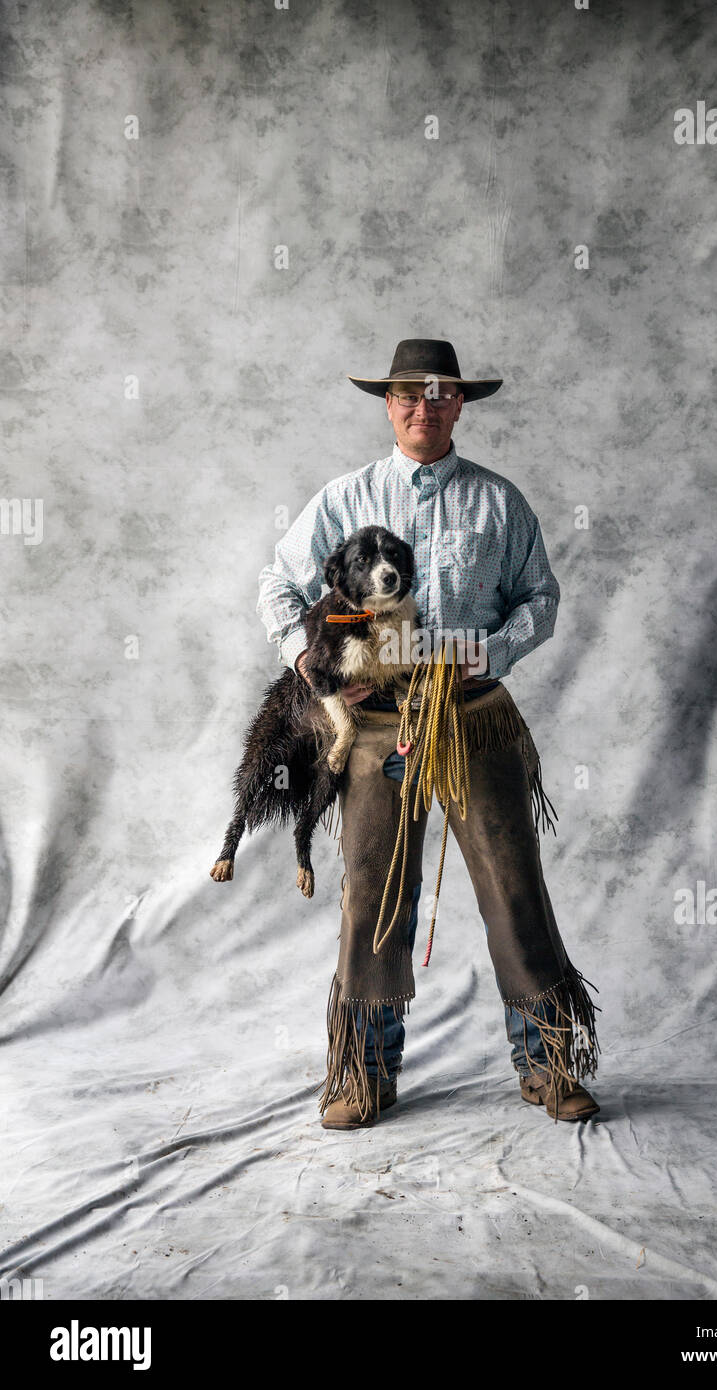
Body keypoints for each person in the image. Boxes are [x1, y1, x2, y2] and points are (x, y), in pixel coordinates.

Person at [256, 339, 600, 1129]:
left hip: (474, 717)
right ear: (389, 404)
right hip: (376, 728)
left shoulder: (499, 502)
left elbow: (539, 598)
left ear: (460, 404)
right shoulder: (346, 499)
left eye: (440, 393)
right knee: (373, 892)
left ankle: (549, 1063)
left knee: (513, 887)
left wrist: (500, 647)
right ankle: (362, 1072)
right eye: (409, 393)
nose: (425, 406)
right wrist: (309, 659)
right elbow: (279, 582)